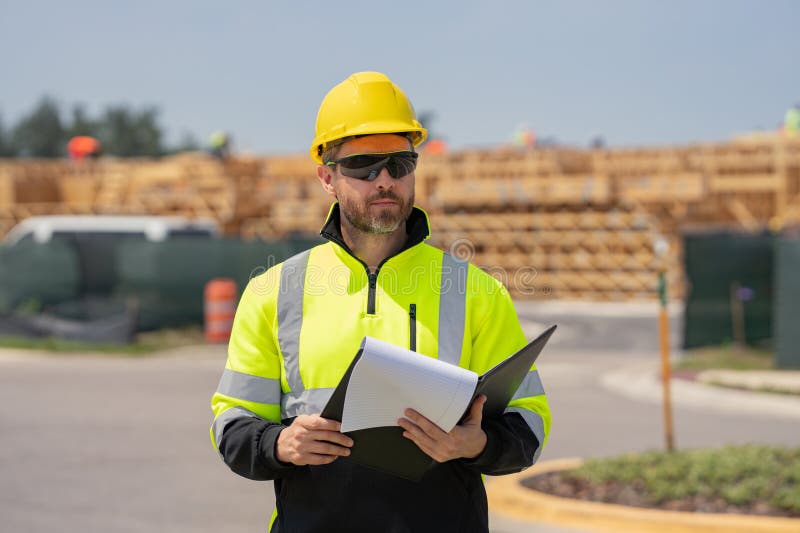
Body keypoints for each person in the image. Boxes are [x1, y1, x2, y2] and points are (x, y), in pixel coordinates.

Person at [210, 71, 551, 532]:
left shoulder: (476, 291)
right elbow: (233, 423)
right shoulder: (274, 291)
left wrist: (476, 444)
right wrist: (280, 444)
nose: (384, 180)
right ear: (327, 177)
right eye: (363, 166)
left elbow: (528, 422)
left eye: (399, 164)